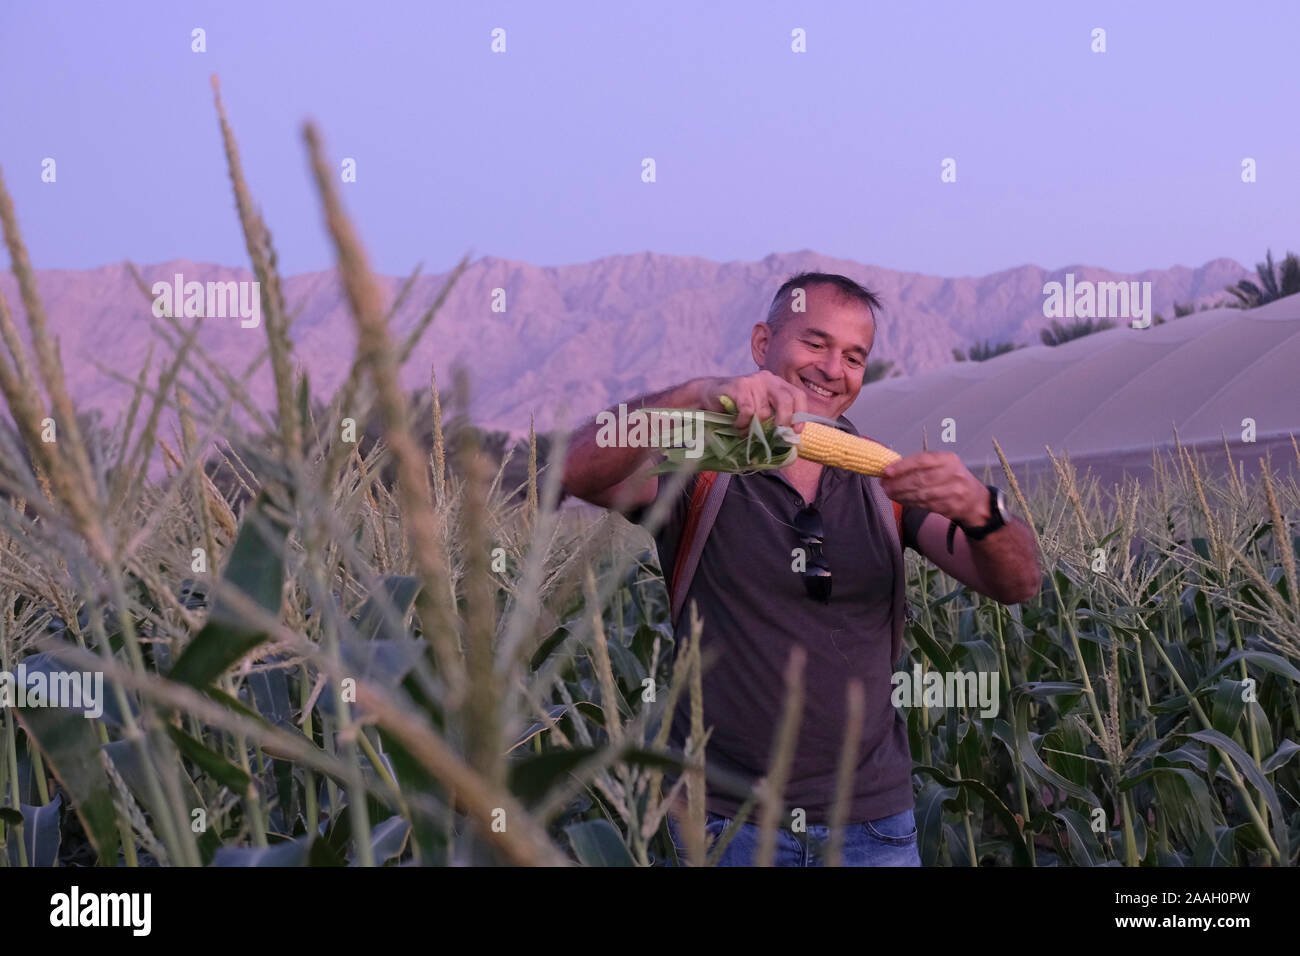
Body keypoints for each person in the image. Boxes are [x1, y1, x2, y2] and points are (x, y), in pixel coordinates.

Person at [560, 272, 1041, 866]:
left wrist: (983, 512)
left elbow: (1019, 584)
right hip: (727, 824)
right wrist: (692, 396)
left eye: (854, 357)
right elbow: (574, 471)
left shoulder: (888, 489)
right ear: (763, 345)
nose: (833, 369)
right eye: (815, 344)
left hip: (872, 827)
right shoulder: (696, 471)